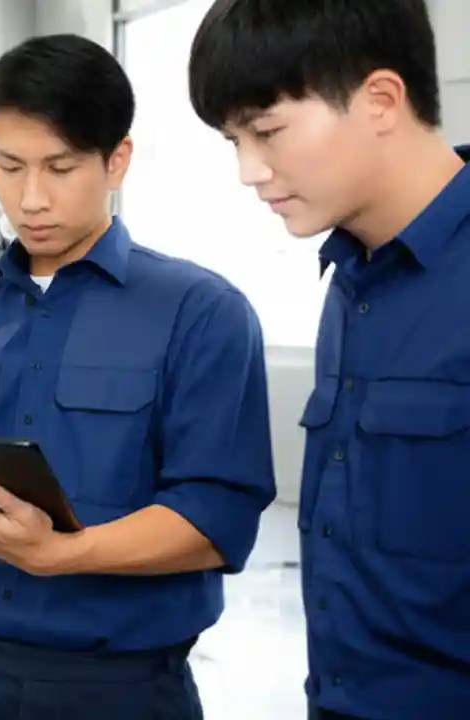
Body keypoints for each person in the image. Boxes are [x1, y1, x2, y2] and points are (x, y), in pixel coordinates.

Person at [0, 33, 277, 719]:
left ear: (117, 161)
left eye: (60, 167)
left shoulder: (200, 312)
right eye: (9, 167)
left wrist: (62, 554)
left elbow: (218, 520)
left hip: (127, 688)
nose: (32, 197)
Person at [187, 1, 470, 718]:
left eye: (268, 131)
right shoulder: (352, 278)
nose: (250, 170)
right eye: (233, 142)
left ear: (380, 99)